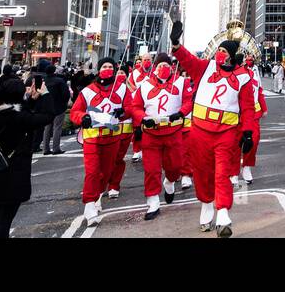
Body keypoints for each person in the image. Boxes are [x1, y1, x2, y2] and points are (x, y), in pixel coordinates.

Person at [173, 22, 257, 237]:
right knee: (201, 172)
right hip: (200, 130)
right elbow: (188, 60)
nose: (219, 54)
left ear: (232, 55)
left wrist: (247, 132)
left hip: (226, 133)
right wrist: (176, 44)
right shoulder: (205, 68)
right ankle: (207, 204)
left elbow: (247, 108)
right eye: (218, 50)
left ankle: (222, 213)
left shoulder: (244, 77)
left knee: (223, 173)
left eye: (224, 51)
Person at [0, 75, 54, 238]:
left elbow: (21, 113)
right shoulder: (19, 117)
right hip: (15, 171)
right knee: (4, 222)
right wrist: (45, 95)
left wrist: (31, 101)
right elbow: (46, 117)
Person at [125, 52, 187, 220]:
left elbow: (188, 101)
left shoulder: (181, 82)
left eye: (166, 66)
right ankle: (153, 201)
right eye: (160, 66)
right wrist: (143, 119)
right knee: (151, 169)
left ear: (171, 67)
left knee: (175, 166)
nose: (163, 69)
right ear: (155, 68)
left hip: (173, 132)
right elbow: (135, 106)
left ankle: (170, 182)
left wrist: (181, 113)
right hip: (152, 133)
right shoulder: (145, 85)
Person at [70, 58, 128, 226]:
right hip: (92, 138)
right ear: (99, 68)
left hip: (112, 137)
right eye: (105, 66)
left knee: (107, 172)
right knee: (93, 171)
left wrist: (123, 112)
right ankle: (89, 204)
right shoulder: (88, 91)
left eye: (111, 66)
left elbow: (130, 108)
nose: (108, 69)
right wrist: (83, 118)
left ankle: (98, 196)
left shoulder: (122, 89)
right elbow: (75, 112)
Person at [235, 53, 267, 184]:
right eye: (244, 60)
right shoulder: (233, 74)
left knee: (253, 141)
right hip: (235, 114)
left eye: (248, 60)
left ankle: (247, 166)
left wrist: (264, 107)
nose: (247, 62)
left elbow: (259, 90)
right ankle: (233, 171)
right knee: (235, 144)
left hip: (252, 113)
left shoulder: (253, 73)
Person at [38, 61, 70, 155]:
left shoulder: (43, 82)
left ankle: (45, 149)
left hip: (47, 107)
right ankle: (56, 148)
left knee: (47, 128)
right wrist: (64, 103)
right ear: (54, 71)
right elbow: (66, 94)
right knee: (57, 127)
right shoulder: (59, 81)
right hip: (59, 106)